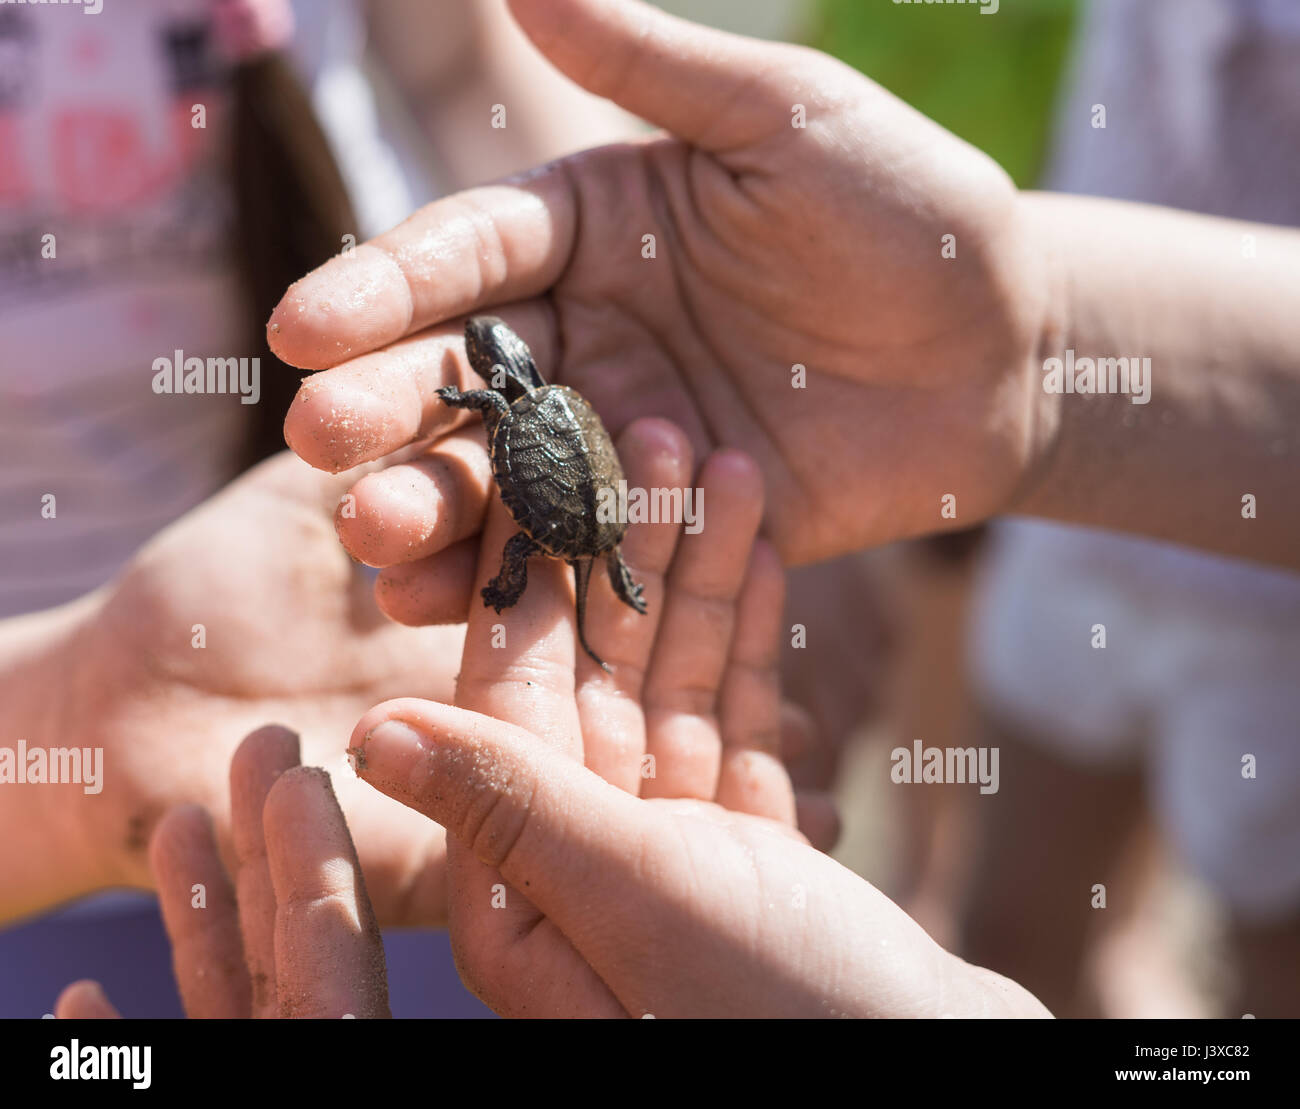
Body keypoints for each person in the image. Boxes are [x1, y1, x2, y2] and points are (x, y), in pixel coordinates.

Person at [257, 0, 1299, 1017]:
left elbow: (493, 403)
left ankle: (563, 571)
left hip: (574, 492)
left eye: (485, 365)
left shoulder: (511, 395)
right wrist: (1025, 342)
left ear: (498, 370)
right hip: (600, 499)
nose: (483, 365)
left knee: (533, 547)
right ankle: (591, 568)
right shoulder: (556, 392)